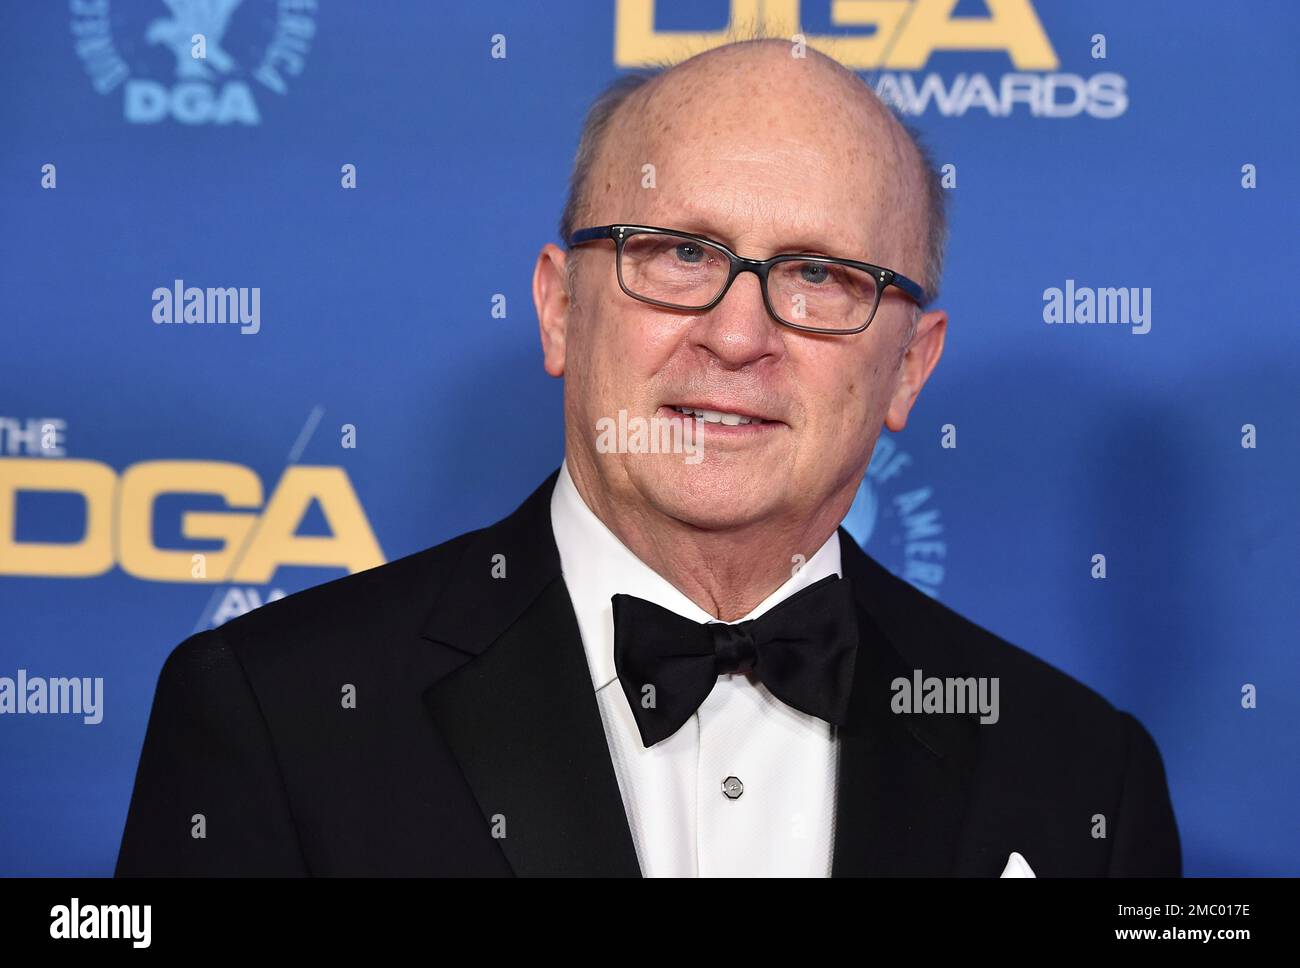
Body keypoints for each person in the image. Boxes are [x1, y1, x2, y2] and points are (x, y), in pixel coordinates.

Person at [115, 38, 1180, 877]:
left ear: (909, 367)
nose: (737, 333)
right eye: (679, 253)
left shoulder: (1080, 771)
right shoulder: (277, 714)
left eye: (818, 275)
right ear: (559, 308)